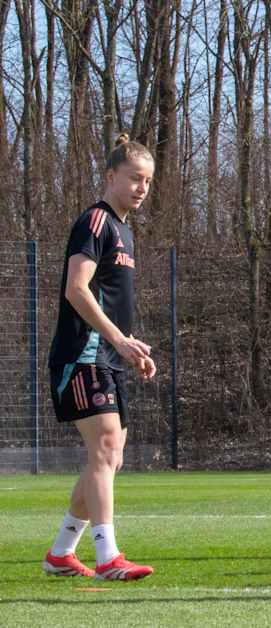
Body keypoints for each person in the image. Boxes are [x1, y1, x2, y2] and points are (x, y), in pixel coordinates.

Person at [43, 134, 158, 581]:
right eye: (133, 178)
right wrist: (118, 340)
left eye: (147, 181)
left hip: (108, 356)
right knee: (106, 449)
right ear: (110, 176)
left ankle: (61, 552)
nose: (141, 188)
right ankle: (108, 556)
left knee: (110, 459)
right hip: (82, 355)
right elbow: (77, 288)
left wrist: (129, 346)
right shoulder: (95, 221)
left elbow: (109, 299)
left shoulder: (125, 230)